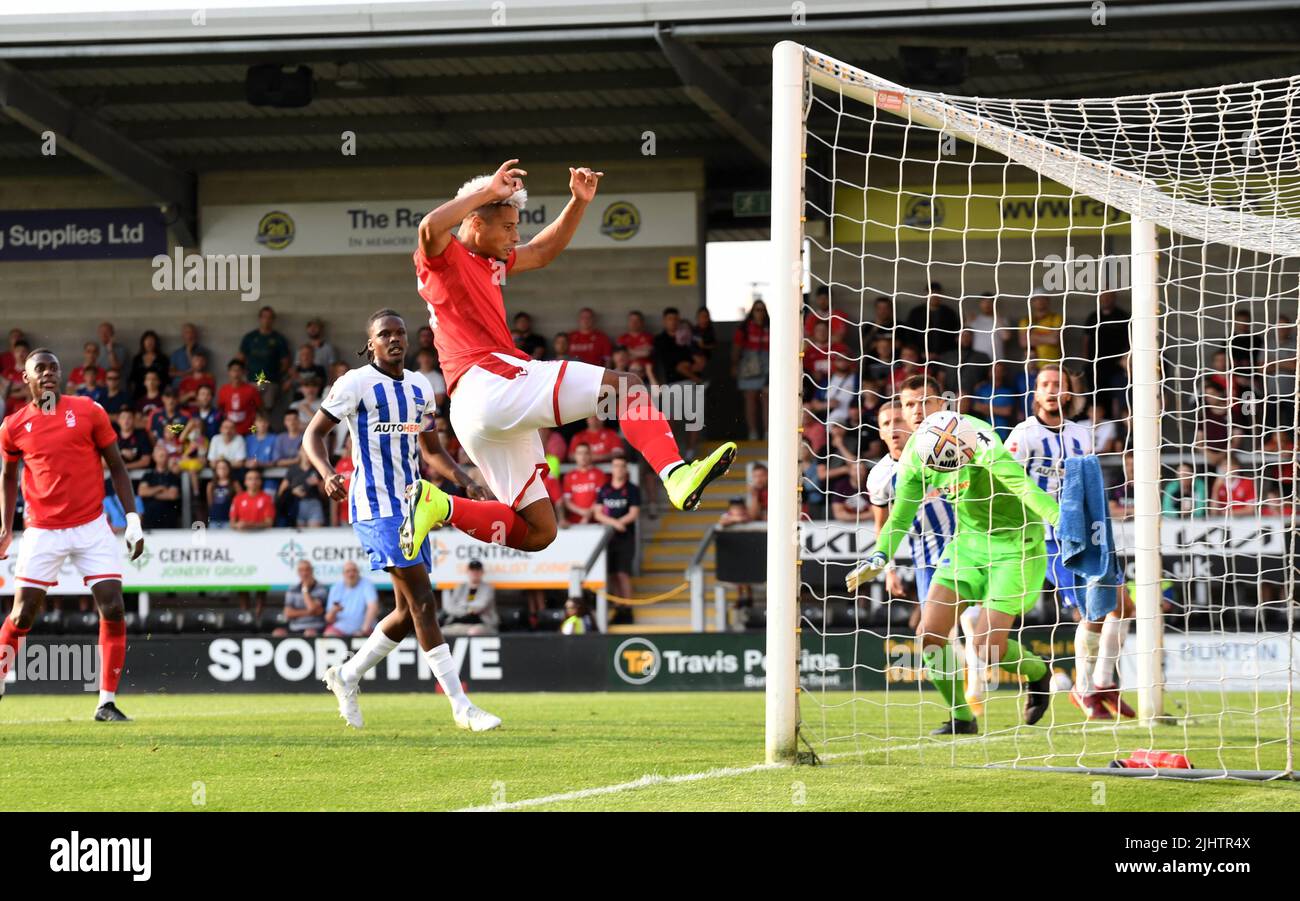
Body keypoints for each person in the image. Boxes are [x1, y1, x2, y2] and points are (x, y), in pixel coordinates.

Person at [399, 159, 735, 560]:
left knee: (539, 531)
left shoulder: (488, 263)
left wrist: (578, 202)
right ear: (474, 222)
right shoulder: (445, 256)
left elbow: (541, 252)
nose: (515, 235)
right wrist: (489, 190)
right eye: (507, 227)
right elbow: (429, 228)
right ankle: (675, 474)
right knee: (625, 386)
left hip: (474, 413)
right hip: (493, 379)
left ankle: (440, 506)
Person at [305, 310, 501, 732]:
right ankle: (461, 707)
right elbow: (313, 434)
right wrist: (327, 474)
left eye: (400, 333)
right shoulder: (354, 384)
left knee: (406, 611)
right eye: (384, 334)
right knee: (424, 602)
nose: (394, 339)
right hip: (375, 508)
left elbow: (431, 451)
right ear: (370, 344)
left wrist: (465, 482)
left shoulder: (420, 388)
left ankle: (348, 674)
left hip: (415, 507)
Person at [846, 397, 1060, 736]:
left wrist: (1057, 518)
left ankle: (1037, 673)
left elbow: (1022, 486)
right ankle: (961, 717)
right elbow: (900, 514)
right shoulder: (917, 455)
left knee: (987, 646)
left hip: (1017, 543)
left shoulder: (981, 439)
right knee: (929, 633)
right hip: (968, 544)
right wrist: (880, 556)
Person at [0, 348, 145, 722]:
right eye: (40, 369)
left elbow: (117, 465)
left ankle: (106, 702)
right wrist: (5, 526)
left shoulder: (88, 411)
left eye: (54, 368)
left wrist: (132, 518)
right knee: (23, 614)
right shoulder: (13, 426)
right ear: (26, 378)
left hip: (91, 525)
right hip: (42, 531)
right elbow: (8, 478)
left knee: (113, 606)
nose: (49, 373)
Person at [1005, 364, 1135, 720]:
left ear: (1068, 394)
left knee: (1123, 606)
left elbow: (1089, 485)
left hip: (1088, 530)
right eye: (1044, 384)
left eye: (1057, 385)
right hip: (1048, 538)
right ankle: (1084, 689)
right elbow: (1007, 484)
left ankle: (1103, 682)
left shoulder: (1082, 434)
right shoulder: (1023, 435)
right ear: (1035, 393)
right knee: (1090, 611)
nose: (1050, 390)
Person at [867, 393, 956, 631]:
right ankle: (952, 669)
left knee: (973, 622)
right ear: (880, 432)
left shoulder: (941, 451)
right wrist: (889, 570)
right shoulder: (879, 476)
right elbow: (883, 526)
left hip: (965, 547)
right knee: (930, 632)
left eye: (898, 420)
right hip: (925, 557)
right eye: (886, 423)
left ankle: (982, 668)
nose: (893, 427)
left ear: (909, 422)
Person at [593, 454, 641, 607]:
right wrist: (614, 523)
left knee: (622, 574)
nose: (618, 469)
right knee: (612, 574)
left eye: (621, 466)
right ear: (612, 469)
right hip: (608, 539)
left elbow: (634, 513)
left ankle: (627, 607)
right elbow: (597, 513)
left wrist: (619, 523)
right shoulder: (605, 489)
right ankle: (617, 605)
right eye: (616, 466)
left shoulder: (632, 489)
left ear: (626, 469)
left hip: (626, 538)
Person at [239, 305, 292, 409]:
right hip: (252, 381)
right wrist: (244, 375)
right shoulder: (250, 337)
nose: (266, 320)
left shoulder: (279, 339)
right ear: (260, 318)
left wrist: (276, 375)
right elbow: (240, 359)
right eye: (264, 317)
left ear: (273, 320)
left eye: (270, 317)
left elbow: (285, 362)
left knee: (267, 410)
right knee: (251, 409)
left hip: (271, 382)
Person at [732, 300, 770, 441]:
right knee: (750, 399)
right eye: (757, 310)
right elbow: (736, 347)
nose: (759, 313)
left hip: (768, 365)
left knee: (767, 399)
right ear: (752, 312)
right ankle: (752, 432)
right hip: (749, 366)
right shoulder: (744, 328)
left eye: (762, 310)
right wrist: (734, 364)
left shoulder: (772, 326)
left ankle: (768, 432)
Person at [440, 560, 499, 636]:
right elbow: (450, 608)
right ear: (468, 572)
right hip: (460, 622)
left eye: (477, 570)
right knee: (441, 632)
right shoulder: (460, 587)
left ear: (482, 572)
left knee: (474, 632)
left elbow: (479, 607)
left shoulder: (488, 588)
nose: (475, 573)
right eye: (472, 570)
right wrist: (468, 610)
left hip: (482, 623)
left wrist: (461, 606)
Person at [324, 561, 379, 638]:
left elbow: (373, 607)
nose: (351, 574)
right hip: (342, 628)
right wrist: (334, 611)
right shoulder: (335, 588)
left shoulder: (366, 584)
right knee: (328, 635)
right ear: (343, 574)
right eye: (348, 571)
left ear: (358, 572)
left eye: (354, 571)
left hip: (364, 628)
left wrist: (363, 630)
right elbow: (328, 619)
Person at [275, 559, 327, 638]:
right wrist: (310, 612)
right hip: (295, 627)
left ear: (312, 571)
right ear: (298, 572)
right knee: (277, 633)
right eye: (301, 570)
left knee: (309, 634)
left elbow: (312, 608)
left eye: (307, 570)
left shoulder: (320, 588)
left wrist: (305, 590)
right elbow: (288, 613)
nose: (304, 573)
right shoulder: (292, 589)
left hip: (315, 627)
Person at [561, 443, 607, 525]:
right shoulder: (569, 476)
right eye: (579, 453)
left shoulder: (599, 474)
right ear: (575, 456)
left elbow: (600, 498)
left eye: (586, 453)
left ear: (590, 455)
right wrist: (581, 511)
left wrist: (587, 516)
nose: (583, 456)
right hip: (574, 523)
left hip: (595, 522)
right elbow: (567, 501)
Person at [279, 448, 326, 528]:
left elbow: (325, 495)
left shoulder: (318, 469)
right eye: (304, 450)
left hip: (314, 504)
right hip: (297, 505)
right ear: (299, 452)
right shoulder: (293, 470)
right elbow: (281, 492)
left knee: (315, 535)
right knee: (300, 536)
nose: (307, 453)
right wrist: (293, 491)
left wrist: (318, 484)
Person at [138, 445, 182, 529]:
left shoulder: (173, 476)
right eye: (161, 456)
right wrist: (161, 488)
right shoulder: (148, 475)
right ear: (154, 457)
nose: (164, 458)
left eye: (166, 456)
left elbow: (172, 495)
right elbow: (142, 492)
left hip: (169, 521)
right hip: (149, 521)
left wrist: (151, 493)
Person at [217, 359, 261, 434]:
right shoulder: (223, 390)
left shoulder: (251, 390)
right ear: (229, 372)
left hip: (248, 432)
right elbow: (220, 410)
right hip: (229, 432)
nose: (236, 374)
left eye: (238, 370)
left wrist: (255, 429)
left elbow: (260, 409)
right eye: (233, 370)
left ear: (243, 372)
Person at [128, 330, 170, 401]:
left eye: (152, 341)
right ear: (143, 343)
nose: (149, 344)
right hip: (139, 391)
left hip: (158, 391)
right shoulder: (137, 358)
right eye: (147, 341)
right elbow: (133, 376)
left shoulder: (162, 358)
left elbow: (166, 376)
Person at [206, 458, 237, 528]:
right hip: (214, 519)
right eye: (219, 468)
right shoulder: (211, 485)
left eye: (225, 468)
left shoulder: (234, 484)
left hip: (229, 520)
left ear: (229, 469)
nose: (222, 470)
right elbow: (210, 503)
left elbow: (239, 502)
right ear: (216, 470)